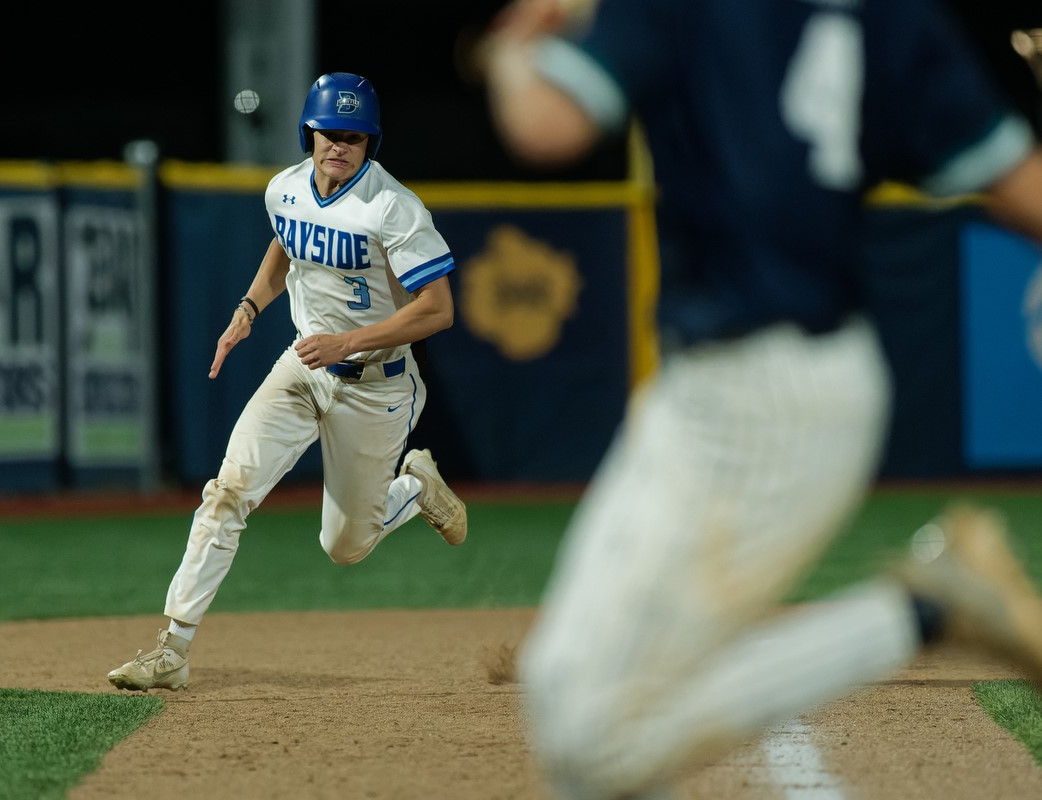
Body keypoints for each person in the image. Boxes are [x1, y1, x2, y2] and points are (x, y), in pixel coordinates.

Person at [476, 0, 1042, 797]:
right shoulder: (894, 15)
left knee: (588, 736)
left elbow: (545, 125)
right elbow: (1021, 186)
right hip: (762, 390)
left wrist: (511, 47)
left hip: (757, 407)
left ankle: (926, 609)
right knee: (563, 690)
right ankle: (932, 605)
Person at [108, 72, 468, 692]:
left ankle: (413, 486)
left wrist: (348, 341)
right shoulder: (285, 190)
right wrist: (248, 309)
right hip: (303, 366)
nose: (340, 146)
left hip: (376, 384)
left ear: (370, 143)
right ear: (309, 133)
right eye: (330, 133)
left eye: (354, 137)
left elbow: (438, 309)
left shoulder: (392, 207)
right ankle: (172, 648)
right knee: (227, 491)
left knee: (345, 546)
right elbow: (287, 247)